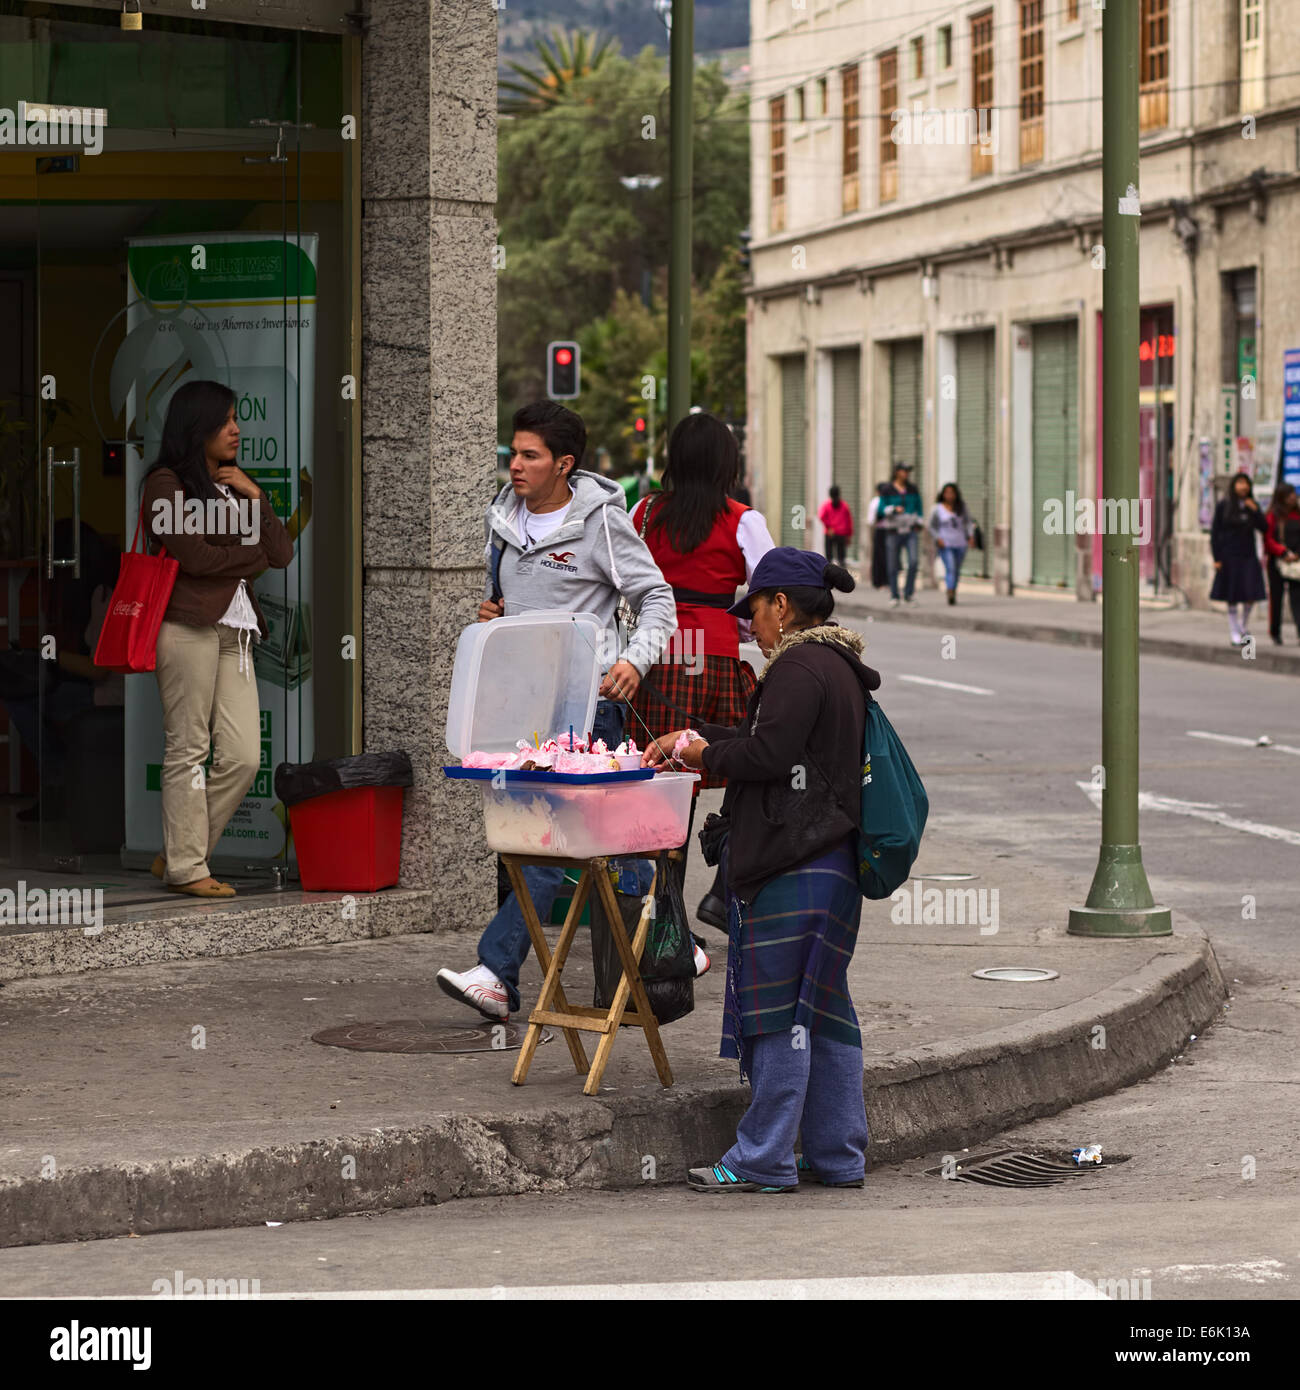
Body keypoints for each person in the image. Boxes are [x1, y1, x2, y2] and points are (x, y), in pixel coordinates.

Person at [645, 549, 878, 1193]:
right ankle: (838, 1155)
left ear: (781, 605)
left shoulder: (799, 665)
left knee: (779, 1012)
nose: (749, 624)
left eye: (753, 608)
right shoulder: (836, 665)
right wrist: (695, 736)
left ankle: (763, 1157)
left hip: (794, 865)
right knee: (825, 1010)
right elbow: (763, 738)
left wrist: (696, 749)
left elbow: (769, 754)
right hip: (832, 866)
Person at [437, 401, 677, 1022]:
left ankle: (496, 972)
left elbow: (657, 597)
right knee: (582, 844)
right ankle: (679, 943)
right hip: (523, 710)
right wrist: (495, 616)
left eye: (529, 456)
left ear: (563, 464)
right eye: (512, 453)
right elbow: (509, 603)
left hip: (587, 711)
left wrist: (635, 661)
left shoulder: (600, 523)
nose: (514, 465)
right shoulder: (504, 521)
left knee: (549, 836)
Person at [627, 412, 775, 949]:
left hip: (655, 659)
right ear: (725, 463)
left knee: (663, 795)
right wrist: (735, 622)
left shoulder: (643, 512)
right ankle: (718, 890)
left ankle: (662, 921)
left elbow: (623, 581)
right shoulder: (741, 519)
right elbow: (769, 587)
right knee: (752, 770)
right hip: (712, 658)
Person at [142, 380, 294, 897]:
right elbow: (199, 559)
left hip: (236, 630)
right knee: (188, 748)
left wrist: (255, 495)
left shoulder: (232, 485)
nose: (237, 429)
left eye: (236, 419)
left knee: (244, 757)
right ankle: (189, 867)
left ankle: (181, 851)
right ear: (197, 427)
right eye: (226, 420)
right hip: (186, 626)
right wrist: (246, 558)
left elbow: (281, 553)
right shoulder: (166, 486)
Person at [1210, 471, 1267, 647]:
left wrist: (1256, 510)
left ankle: (1243, 625)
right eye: (1240, 483)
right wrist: (1217, 557)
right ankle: (1234, 630)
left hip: (1248, 555)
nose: (1243, 487)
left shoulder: (1252, 506)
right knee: (1232, 595)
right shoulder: (1224, 506)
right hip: (1229, 556)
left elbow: (1264, 527)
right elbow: (1215, 533)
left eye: (1246, 483)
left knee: (1250, 594)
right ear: (1234, 486)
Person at [877, 463, 923, 607]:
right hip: (893, 531)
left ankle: (908, 594)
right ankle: (895, 595)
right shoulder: (887, 489)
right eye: (904, 471)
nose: (906, 474)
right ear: (897, 472)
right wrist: (893, 509)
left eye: (908, 471)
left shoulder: (913, 489)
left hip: (910, 531)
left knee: (914, 561)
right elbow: (880, 510)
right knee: (893, 565)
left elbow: (919, 508)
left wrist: (919, 521)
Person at [1262, 482, 1300, 645]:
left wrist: (1296, 554)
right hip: (1277, 562)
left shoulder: (1297, 514)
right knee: (1276, 598)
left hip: (1296, 562)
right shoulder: (1272, 515)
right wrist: (1282, 552)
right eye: (1289, 494)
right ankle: (1275, 632)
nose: (1293, 497)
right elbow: (1267, 539)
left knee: (1297, 598)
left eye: (1294, 494)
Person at [928, 482, 975, 606]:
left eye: (952, 493)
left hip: (960, 542)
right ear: (943, 494)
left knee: (956, 569)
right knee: (951, 567)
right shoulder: (937, 509)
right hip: (945, 543)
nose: (949, 495)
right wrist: (937, 538)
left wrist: (970, 536)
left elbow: (968, 522)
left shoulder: (961, 507)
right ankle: (950, 591)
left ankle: (953, 588)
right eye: (947, 493)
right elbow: (931, 526)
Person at [818, 485, 854, 566]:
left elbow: (821, 516)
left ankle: (828, 576)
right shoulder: (844, 506)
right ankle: (841, 576)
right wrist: (849, 535)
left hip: (830, 533)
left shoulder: (827, 505)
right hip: (841, 534)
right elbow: (849, 521)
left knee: (828, 558)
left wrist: (829, 527)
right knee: (841, 558)